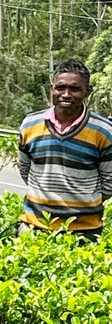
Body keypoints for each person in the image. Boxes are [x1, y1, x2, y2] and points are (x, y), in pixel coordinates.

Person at [18, 59, 112, 240]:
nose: (66, 94)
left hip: (84, 234)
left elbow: (109, 183)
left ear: (88, 91)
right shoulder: (30, 124)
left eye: (75, 89)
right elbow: (25, 169)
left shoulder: (104, 131)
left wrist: (84, 203)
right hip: (34, 229)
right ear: (52, 88)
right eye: (60, 88)